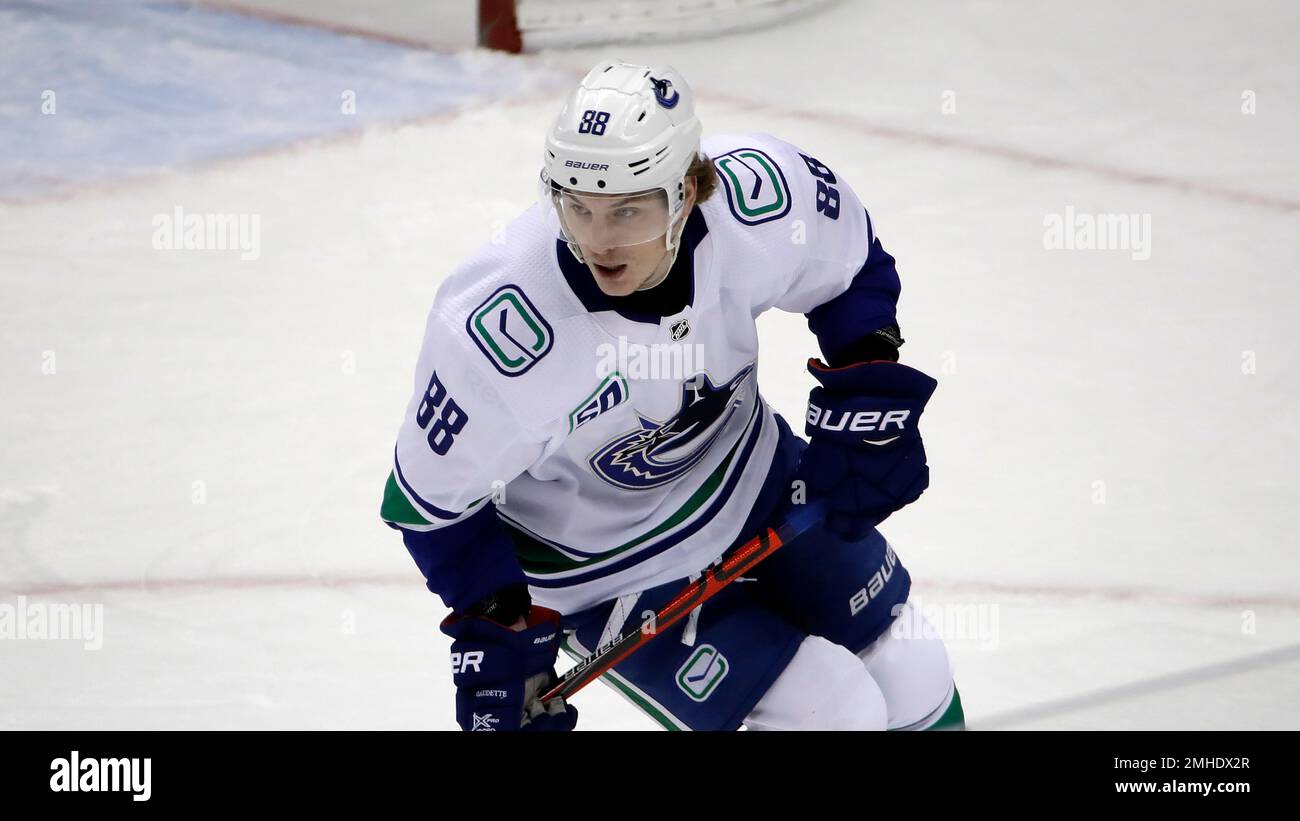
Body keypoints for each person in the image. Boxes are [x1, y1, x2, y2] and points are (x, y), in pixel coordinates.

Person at [380, 60, 964, 731]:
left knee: (914, 670)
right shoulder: (501, 329)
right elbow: (429, 503)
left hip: (756, 480)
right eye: (577, 204)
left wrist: (867, 392)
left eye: (627, 209)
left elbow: (850, 268)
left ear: (687, 189)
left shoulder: (757, 198)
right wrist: (498, 620)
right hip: (609, 572)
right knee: (834, 710)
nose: (598, 240)